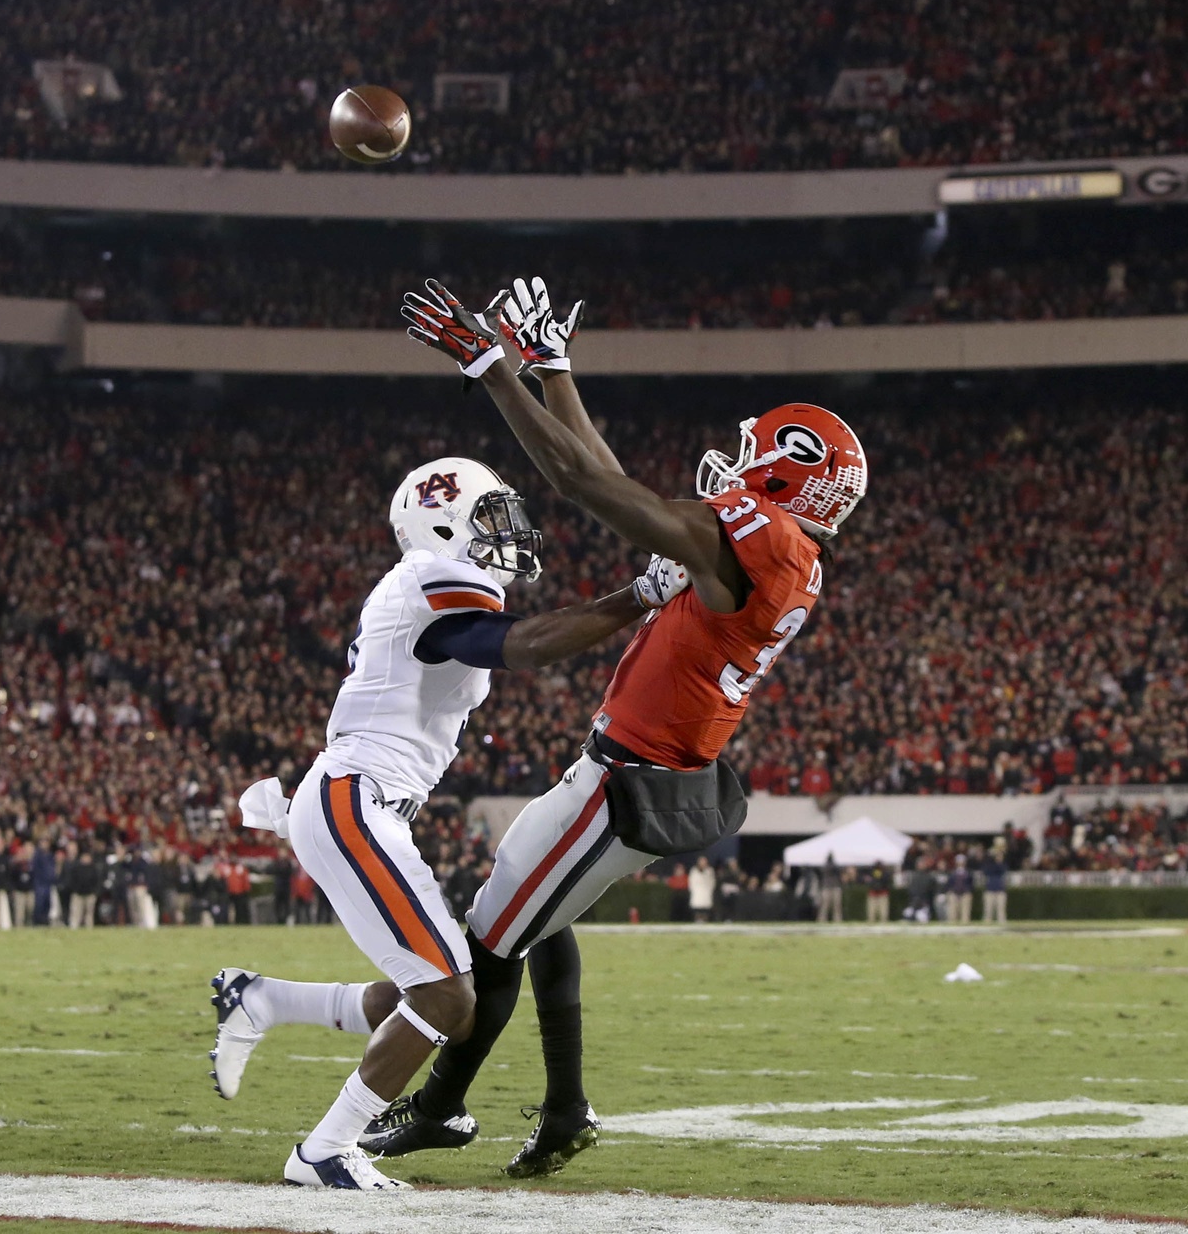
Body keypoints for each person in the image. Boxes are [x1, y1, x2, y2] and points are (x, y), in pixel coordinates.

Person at [356, 276, 864, 1177]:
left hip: (625, 777)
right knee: (540, 923)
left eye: (759, 454)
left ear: (787, 471)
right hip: (639, 767)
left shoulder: (766, 543)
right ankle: (563, 1112)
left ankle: (440, 1107)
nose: (736, 463)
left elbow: (582, 480)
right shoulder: (783, 551)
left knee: (485, 942)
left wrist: (492, 369)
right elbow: (612, 481)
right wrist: (553, 369)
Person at [207, 449, 687, 1192]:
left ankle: (264, 999)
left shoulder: (429, 586)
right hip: (354, 801)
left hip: (366, 804)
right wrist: (639, 595)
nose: (509, 530)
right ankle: (325, 1149)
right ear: (442, 525)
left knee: (430, 993)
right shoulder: (432, 577)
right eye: (489, 517)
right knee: (447, 997)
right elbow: (523, 646)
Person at [981, 846, 1009, 924]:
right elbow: (986, 871)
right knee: (988, 910)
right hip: (990, 889)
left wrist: (999, 862)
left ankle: (1002, 924)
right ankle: (987, 924)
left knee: (1001, 910)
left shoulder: (1003, 865)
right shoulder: (989, 865)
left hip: (1000, 890)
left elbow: (1002, 870)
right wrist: (990, 857)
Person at [687, 856, 718, 924]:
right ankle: (697, 920)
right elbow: (691, 881)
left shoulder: (710, 870)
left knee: (705, 908)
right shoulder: (694, 870)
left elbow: (712, 881)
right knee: (697, 908)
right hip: (697, 892)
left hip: (706, 892)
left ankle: (705, 920)